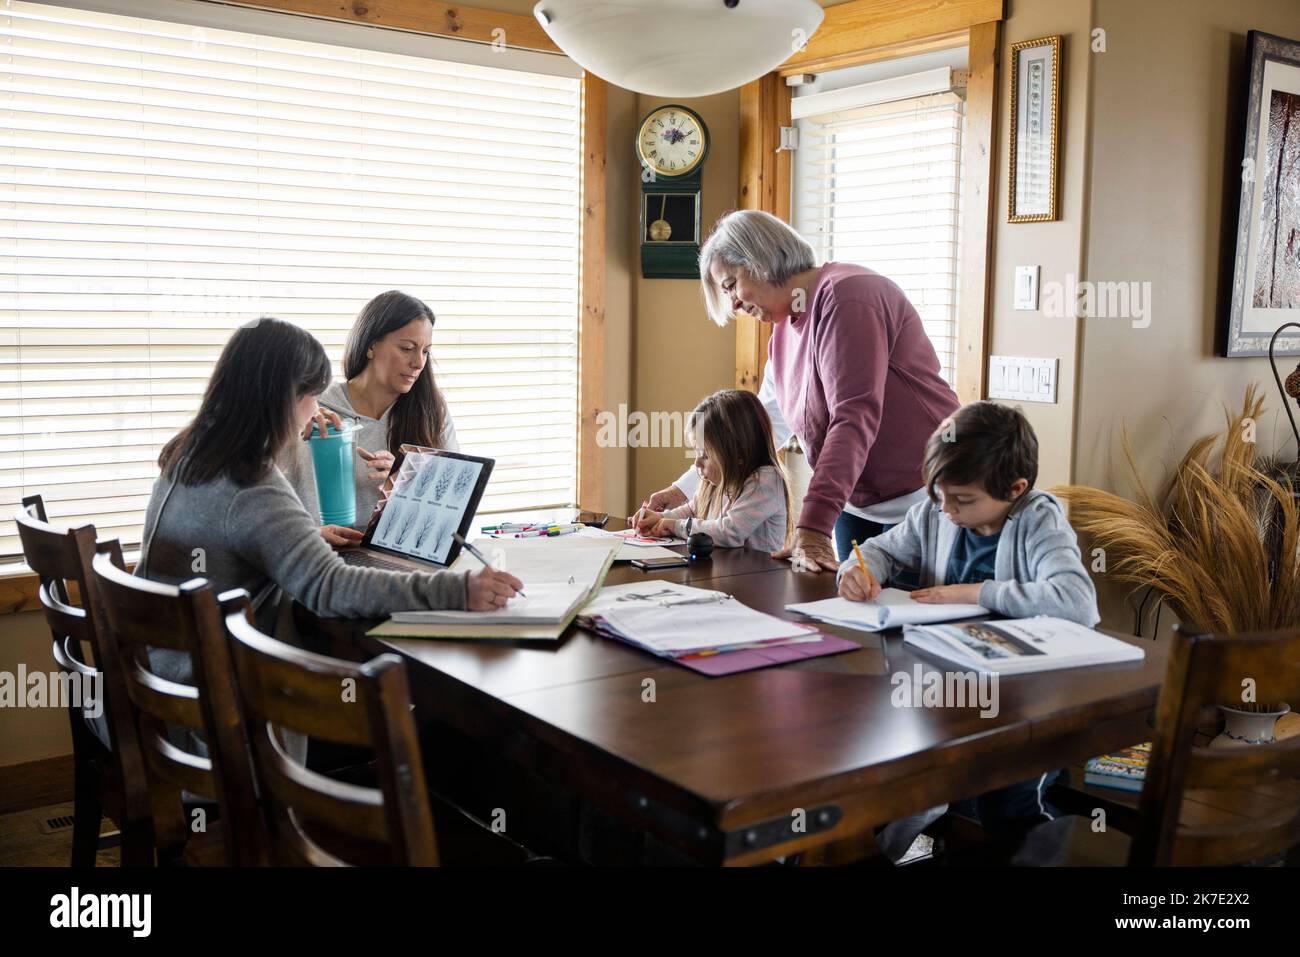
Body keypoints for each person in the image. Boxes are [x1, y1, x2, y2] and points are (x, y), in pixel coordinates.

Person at [139, 316, 518, 655]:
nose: (316, 409)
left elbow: (242, 538)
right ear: (285, 399)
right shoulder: (251, 485)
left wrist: (302, 538)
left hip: (167, 678)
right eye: (312, 397)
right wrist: (459, 590)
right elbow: (330, 587)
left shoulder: (188, 456)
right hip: (226, 708)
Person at [836, 401, 1099, 860]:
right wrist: (855, 571)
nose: (947, 510)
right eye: (940, 495)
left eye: (963, 500)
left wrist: (975, 594)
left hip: (1028, 701)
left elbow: (1077, 601)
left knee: (1010, 807)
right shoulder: (936, 512)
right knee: (884, 763)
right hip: (950, 687)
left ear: (1015, 488)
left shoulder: (1038, 518)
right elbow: (879, 550)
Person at [642, 210, 959, 572]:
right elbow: (757, 429)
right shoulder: (782, 334)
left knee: (918, 617)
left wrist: (811, 527)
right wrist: (682, 490)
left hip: (929, 494)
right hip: (855, 505)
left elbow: (853, 418)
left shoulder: (847, 296)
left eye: (731, 284)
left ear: (759, 259)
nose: (732, 303)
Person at [280, 290, 460, 547]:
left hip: (399, 557)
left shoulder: (432, 411)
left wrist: (409, 485)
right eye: (407, 348)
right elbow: (261, 502)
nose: (418, 362)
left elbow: (454, 506)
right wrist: (291, 430)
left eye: (425, 352)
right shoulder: (312, 408)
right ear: (371, 346)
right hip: (321, 558)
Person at [632, 389, 790, 553]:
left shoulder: (765, 481)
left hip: (755, 576)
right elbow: (692, 510)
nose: (697, 463)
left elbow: (729, 532)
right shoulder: (716, 482)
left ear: (738, 453)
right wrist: (660, 518)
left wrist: (675, 526)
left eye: (705, 455)